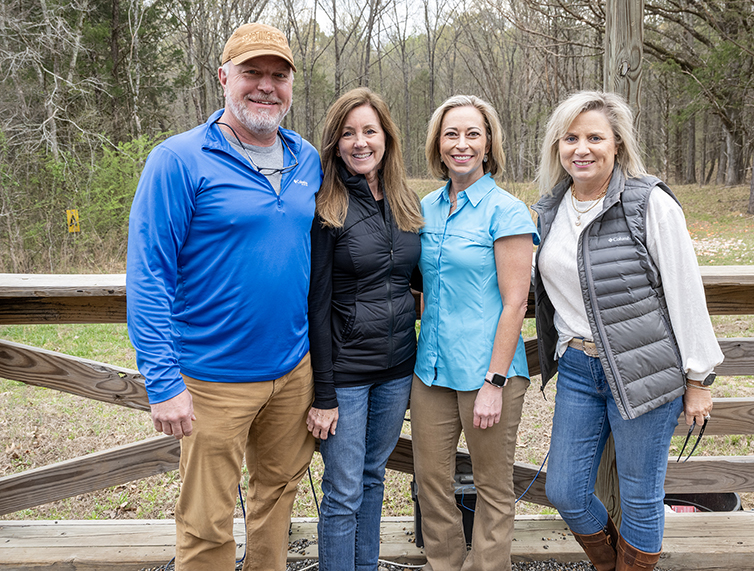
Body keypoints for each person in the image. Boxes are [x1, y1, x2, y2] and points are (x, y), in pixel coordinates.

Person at [126, 23, 322, 571]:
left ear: (291, 85)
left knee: (277, 499)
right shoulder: (179, 159)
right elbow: (149, 274)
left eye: (278, 76)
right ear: (223, 78)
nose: (266, 87)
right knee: (206, 522)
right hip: (211, 380)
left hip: (293, 370)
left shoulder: (307, 159)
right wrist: (163, 382)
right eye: (251, 73)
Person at [532, 91, 724, 571]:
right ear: (558, 146)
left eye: (595, 137)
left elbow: (685, 290)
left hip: (644, 366)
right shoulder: (551, 208)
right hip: (578, 366)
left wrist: (698, 379)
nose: (582, 148)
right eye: (570, 138)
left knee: (640, 496)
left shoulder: (649, 202)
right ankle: (611, 563)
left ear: (617, 144)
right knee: (565, 489)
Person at [411, 95, 538, 571]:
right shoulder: (424, 208)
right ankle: (443, 564)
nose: (461, 144)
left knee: (492, 485)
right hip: (431, 371)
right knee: (431, 480)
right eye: (451, 134)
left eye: (472, 135)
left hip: (489, 373)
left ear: (488, 146)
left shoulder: (506, 212)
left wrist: (494, 383)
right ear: (438, 146)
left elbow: (515, 303)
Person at [305, 87, 423, 571]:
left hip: (398, 368)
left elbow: (415, 278)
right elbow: (317, 304)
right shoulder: (325, 208)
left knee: (374, 477)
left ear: (386, 138)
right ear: (334, 143)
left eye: (369, 131)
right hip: (347, 375)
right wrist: (324, 393)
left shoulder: (405, 201)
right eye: (348, 133)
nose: (360, 142)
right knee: (343, 490)